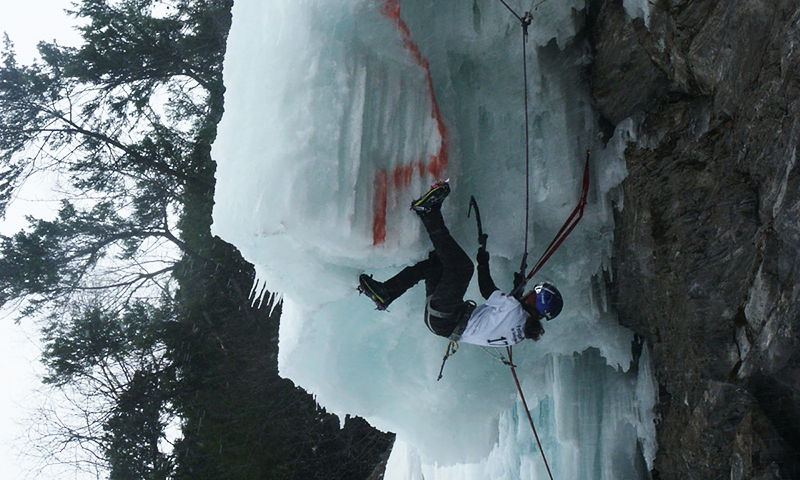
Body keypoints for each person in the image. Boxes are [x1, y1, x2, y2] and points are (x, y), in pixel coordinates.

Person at [358, 181, 563, 347]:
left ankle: (428, 212)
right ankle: (386, 292)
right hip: (441, 322)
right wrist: (517, 294)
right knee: (436, 265)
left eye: (536, 292)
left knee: (463, 268)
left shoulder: (514, 311)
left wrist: (483, 262)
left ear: (538, 302)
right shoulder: (521, 334)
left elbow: (487, 290)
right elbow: (504, 318)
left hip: (447, 316)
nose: (533, 292)